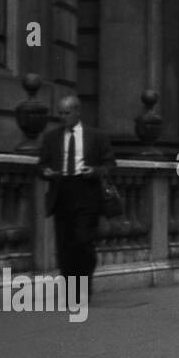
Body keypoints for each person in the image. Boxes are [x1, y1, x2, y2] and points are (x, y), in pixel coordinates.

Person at [37, 95, 115, 297]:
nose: (63, 117)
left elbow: (110, 165)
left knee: (83, 241)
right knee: (64, 245)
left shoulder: (97, 136)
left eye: (67, 113)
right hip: (61, 191)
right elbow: (41, 164)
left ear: (77, 112)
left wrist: (95, 171)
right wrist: (45, 172)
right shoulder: (51, 137)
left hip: (87, 191)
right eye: (60, 113)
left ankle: (84, 286)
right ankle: (70, 290)